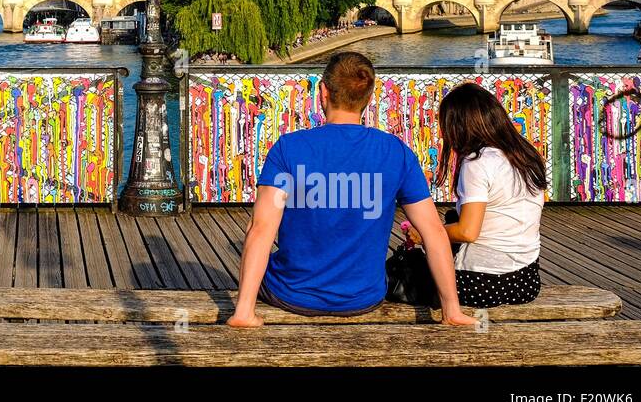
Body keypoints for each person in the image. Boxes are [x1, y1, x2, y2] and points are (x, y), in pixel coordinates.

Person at [228, 51, 475, 327]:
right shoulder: (395, 152)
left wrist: (244, 311)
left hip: (292, 295)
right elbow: (434, 231)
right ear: (368, 99)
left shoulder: (288, 148)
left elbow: (261, 229)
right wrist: (451, 310)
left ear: (323, 92)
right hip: (363, 299)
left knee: (264, 246)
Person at [403, 82, 545, 307]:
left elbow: (468, 232)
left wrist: (425, 234)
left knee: (402, 278)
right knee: (452, 217)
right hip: (526, 280)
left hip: (482, 282)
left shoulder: (477, 162)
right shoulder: (526, 156)